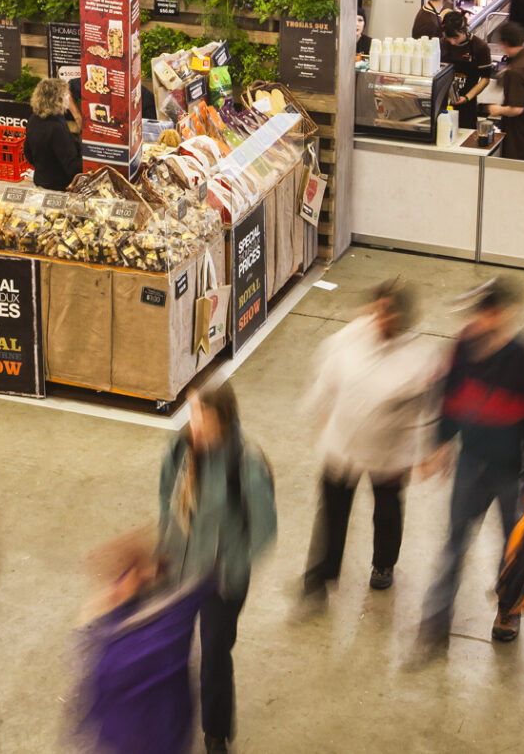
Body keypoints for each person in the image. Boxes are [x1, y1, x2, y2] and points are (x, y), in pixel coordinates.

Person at [416, 278, 524, 654]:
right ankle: (435, 620)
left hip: (514, 472)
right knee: (455, 541)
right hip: (471, 465)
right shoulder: (462, 349)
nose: (477, 323)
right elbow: (447, 397)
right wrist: (440, 444)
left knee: (514, 549)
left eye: (487, 315)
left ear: (502, 316)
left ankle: (508, 610)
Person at [295, 279, 441, 613]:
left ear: (402, 316)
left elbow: (426, 411)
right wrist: (320, 412)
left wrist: (422, 454)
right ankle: (318, 579)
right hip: (342, 446)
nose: (379, 317)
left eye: (388, 312)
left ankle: (384, 563)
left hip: (387, 455)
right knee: (332, 512)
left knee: (387, 511)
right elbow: (327, 375)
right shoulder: (350, 338)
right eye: (377, 309)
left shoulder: (418, 359)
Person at [156, 383, 276, 754]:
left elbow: (264, 530)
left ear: (221, 419)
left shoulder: (246, 464)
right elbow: (166, 500)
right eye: (191, 414)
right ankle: (167, 720)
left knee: (214, 656)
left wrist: (227, 570)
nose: (193, 424)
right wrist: (164, 551)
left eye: (202, 416)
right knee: (169, 648)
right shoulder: (180, 449)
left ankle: (216, 733)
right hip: (179, 571)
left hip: (221, 582)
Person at [74, 529, 202, 754]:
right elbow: (200, 584)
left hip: (127, 742)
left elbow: (93, 709)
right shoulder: (174, 619)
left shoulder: (110, 653)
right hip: (173, 734)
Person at [483, 23, 524, 161]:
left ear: (505, 43)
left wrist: (497, 109)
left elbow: (516, 109)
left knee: (516, 166)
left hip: (521, 129)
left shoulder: (517, 71)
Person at [25, 76, 82, 192]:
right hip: (58, 189)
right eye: (65, 95)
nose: (68, 97)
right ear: (57, 100)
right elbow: (72, 167)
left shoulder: (33, 119)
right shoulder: (56, 128)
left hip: (39, 183)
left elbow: (28, 153)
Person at [439, 11, 494, 130]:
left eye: (455, 37)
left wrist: (467, 97)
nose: (452, 42)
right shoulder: (441, 44)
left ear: (464, 30)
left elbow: (485, 79)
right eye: (448, 38)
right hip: (443, 101)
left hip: (467, 103)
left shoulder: (479, 47)